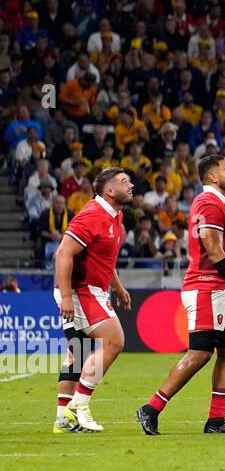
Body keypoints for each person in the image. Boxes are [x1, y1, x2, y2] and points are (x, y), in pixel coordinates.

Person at [136, 154, 225, 435]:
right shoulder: (209, 203)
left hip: (218, 288)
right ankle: (151, 408)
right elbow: (215, 252)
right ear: (212, 176)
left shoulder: (216, 204)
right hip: (205, 286)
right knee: (200, 354)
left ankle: (216, 421)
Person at [51, 167, 134, 433]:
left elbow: (105, 260)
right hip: (79, 290)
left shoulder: (116, 215)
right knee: (114, 340)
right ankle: (78, 406)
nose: (131, 184)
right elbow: (63, 254)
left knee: (80, 352)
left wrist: (118, 288)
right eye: (124, 182)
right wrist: (66, 296)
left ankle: (62, 420)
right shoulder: (90, 215)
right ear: (109, 190)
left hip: (93, 289)